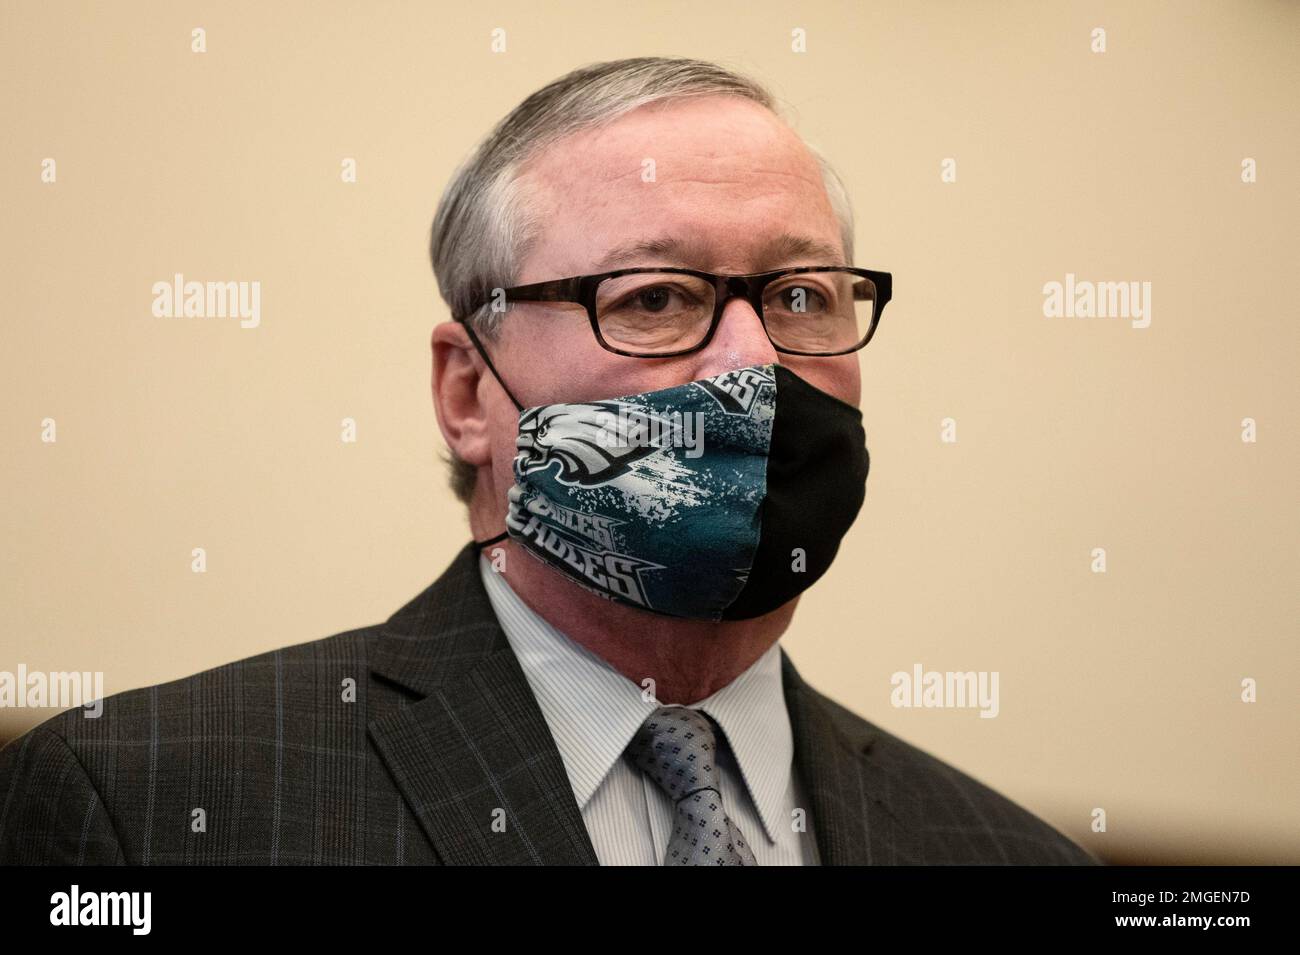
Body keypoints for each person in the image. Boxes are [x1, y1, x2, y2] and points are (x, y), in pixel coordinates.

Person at [0, 56, 1096, 866]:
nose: (756, 360)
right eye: (656, 297)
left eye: (802, 296)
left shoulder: (1009, 857)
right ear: (469, 391)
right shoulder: (150, 803)